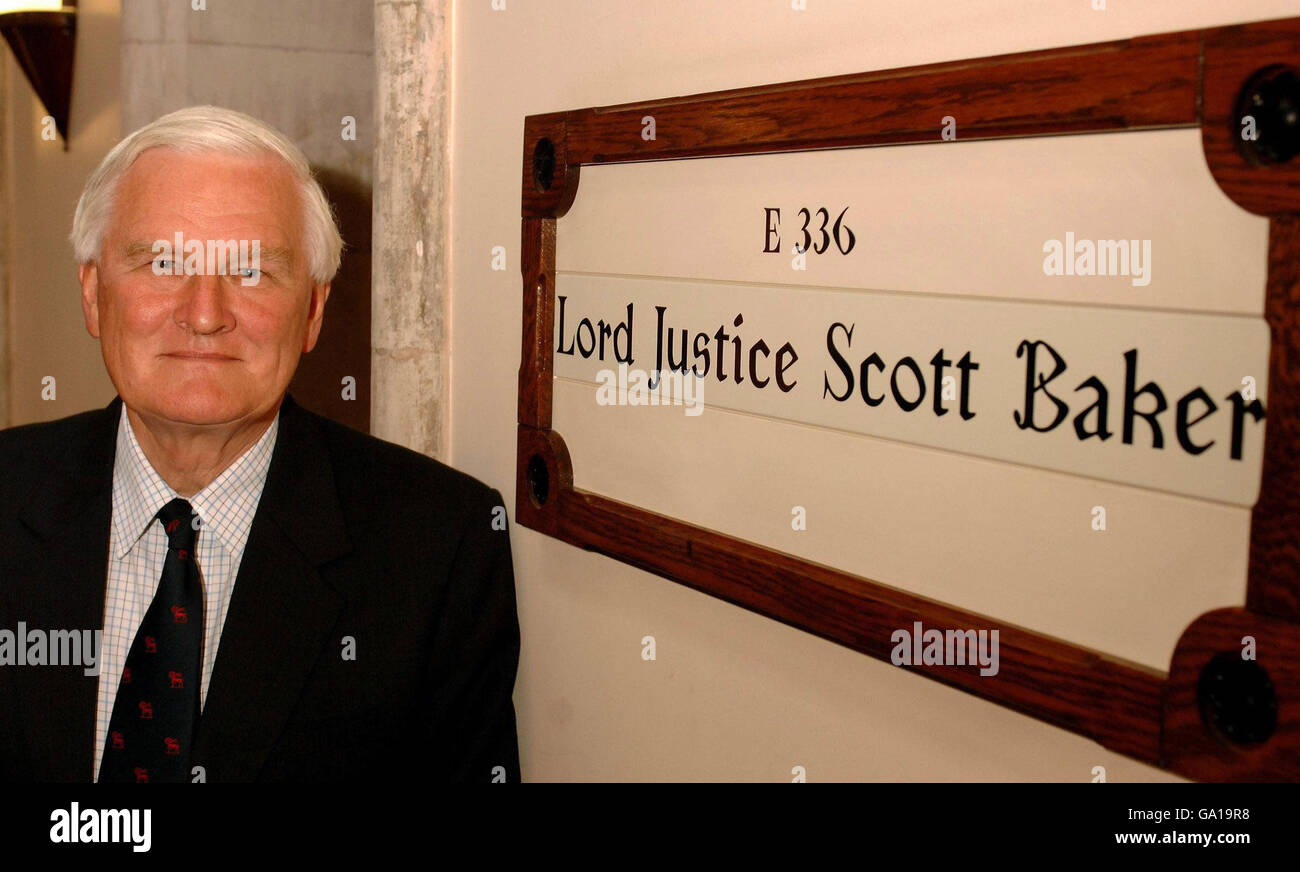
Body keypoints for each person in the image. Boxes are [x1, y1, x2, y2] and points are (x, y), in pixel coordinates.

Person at [0, 105, 521, 782]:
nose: (205, 315)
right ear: (94, 293)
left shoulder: (441, 545)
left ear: (312, 312)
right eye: (163, 262)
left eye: (251, 272)